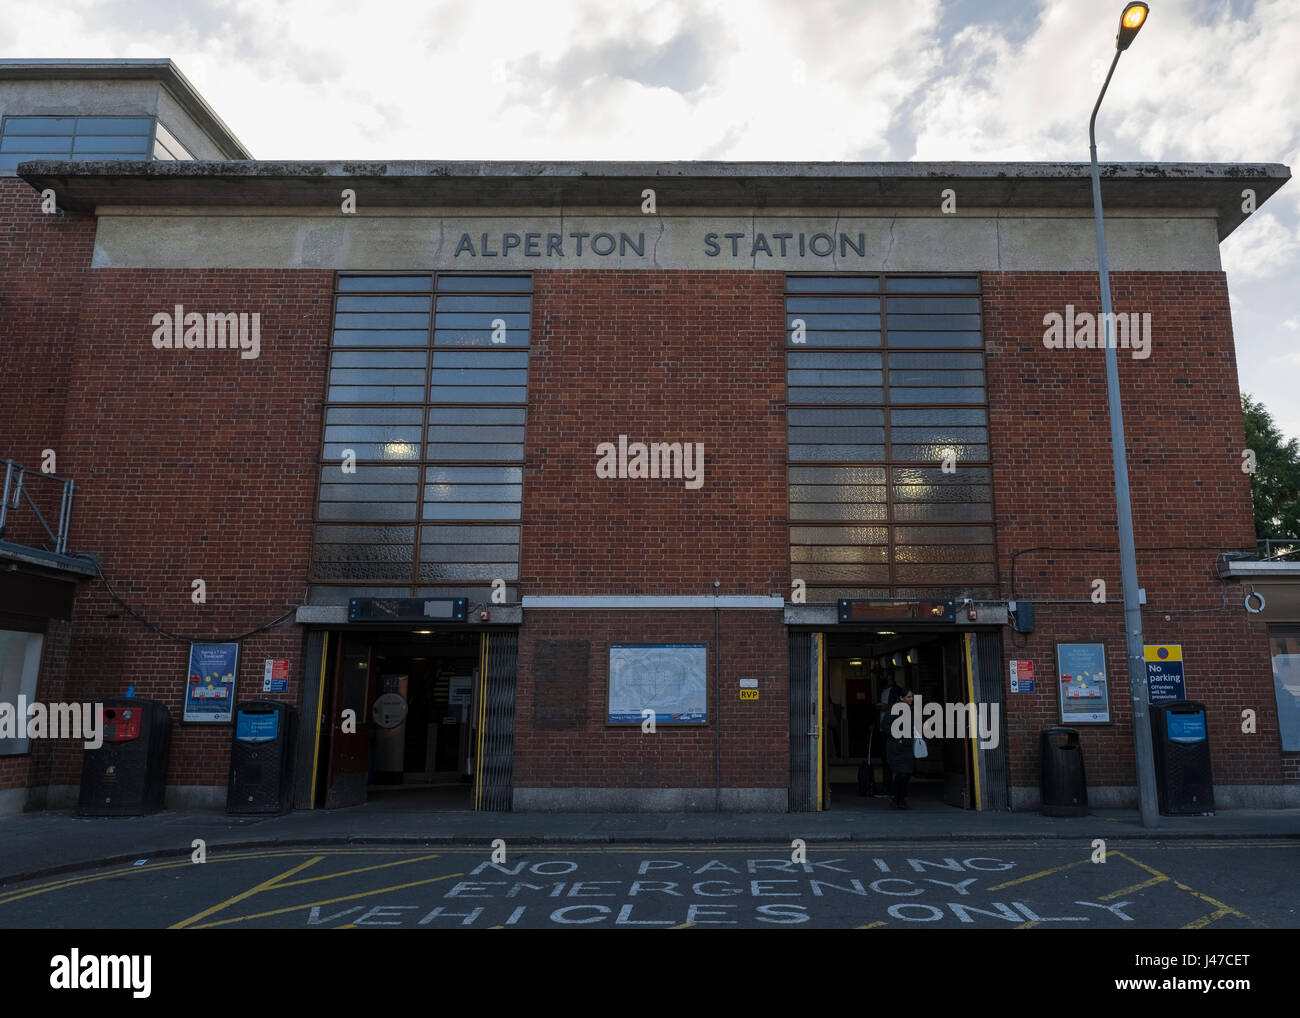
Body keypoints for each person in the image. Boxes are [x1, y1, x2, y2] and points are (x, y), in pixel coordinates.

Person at [884, 688, 915, 809]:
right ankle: (896, 798)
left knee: (906, 774)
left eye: (911, 697)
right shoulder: (894, 709)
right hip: (896, 747)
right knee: (901, 773)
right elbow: (885, 725)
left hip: (907, 746)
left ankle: (901, 799)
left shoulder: (911, 710)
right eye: (908, 697)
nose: (911, 699)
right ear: (901, 698)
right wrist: (897, 736)